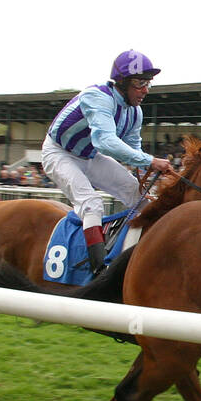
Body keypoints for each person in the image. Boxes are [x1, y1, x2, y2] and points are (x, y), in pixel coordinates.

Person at [42, 50, 174, 274]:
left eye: (148, 83)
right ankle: (98, 270)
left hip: (90, 156)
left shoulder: (135, 112)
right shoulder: (97, 96)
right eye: (140, 83)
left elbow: (134, 149)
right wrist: (151, 161)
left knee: (138, 195)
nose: (146, 90)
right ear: (122, 82)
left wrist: (153, 168)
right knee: (92, 202)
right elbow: (106, 142)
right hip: (59, 153)